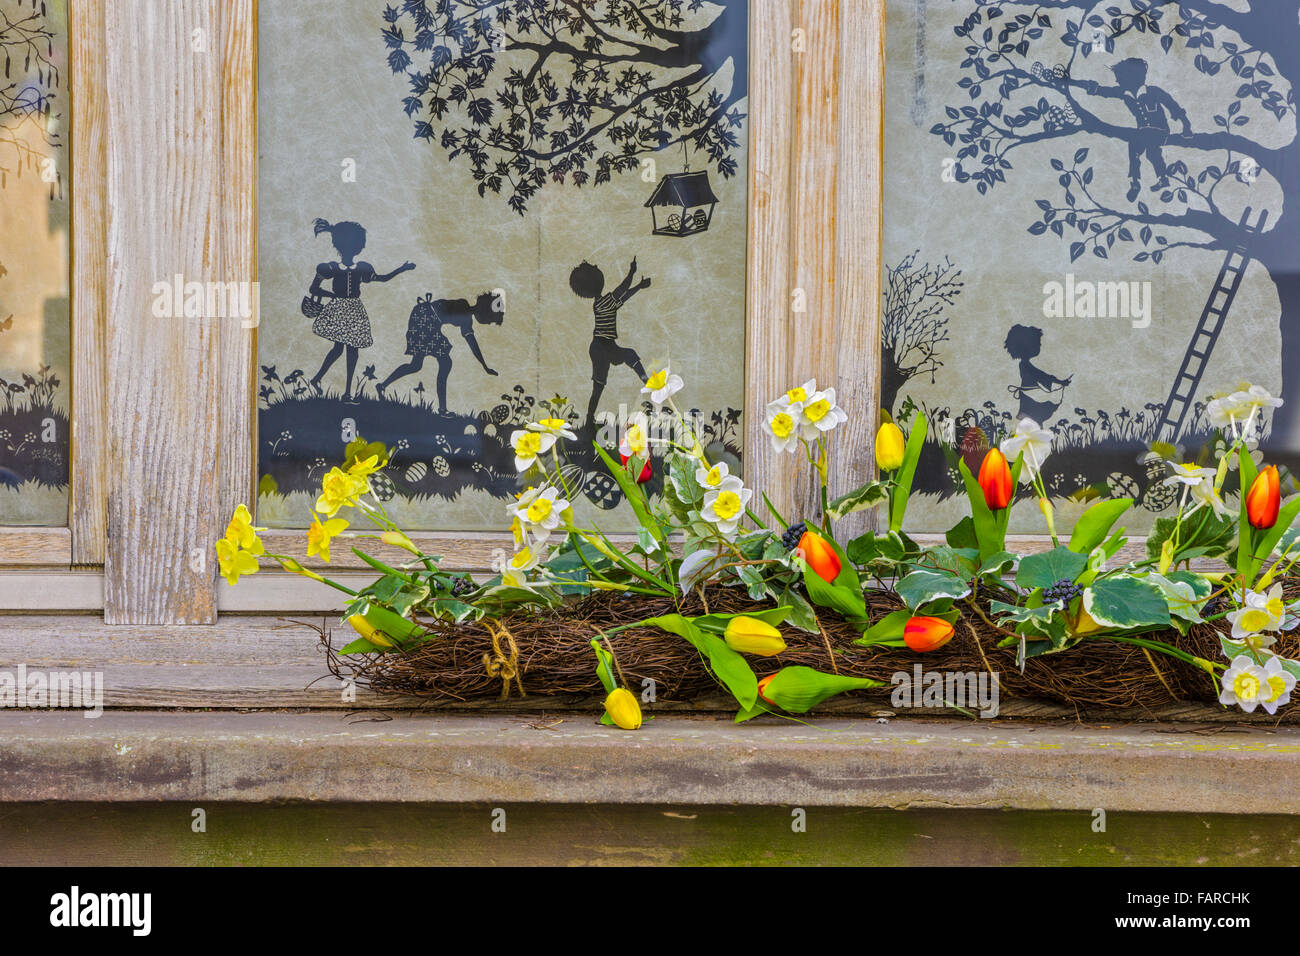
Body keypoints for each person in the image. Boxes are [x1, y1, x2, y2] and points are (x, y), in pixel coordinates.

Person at [307, 218, 415, 402]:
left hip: (353, 310)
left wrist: (401, 269)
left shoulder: (360, 268)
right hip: (341, 310)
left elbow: (381, 278)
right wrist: (332, 296)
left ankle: (339, 389)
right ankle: (333, 387)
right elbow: (313, 289)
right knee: (342, 350)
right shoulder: (331, 267)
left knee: (347, 350)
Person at [1084, 58, 1191, 202]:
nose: (1117, 81)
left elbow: (1172, 105)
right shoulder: (1124, 93)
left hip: (1160, 131)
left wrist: (1186, 125)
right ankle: (1137, 182)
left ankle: (1158, 178)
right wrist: (1094, 89)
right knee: (1138, 149)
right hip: (1143, 133)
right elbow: (1106, 91)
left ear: (1130, 77)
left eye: (1119, 77)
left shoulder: (1153, 91)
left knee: (1149, 150)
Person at [377, 292, 501, 413]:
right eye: (490, 320)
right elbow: (470, 339)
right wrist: (484, 366)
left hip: (427, 320)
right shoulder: (463, 305)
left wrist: (484, 365)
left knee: (418, 365)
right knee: (441, 362)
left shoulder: (467, 319)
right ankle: (442, 409)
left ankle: (382, 386)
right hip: (424, 316)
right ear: (485, 312)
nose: (488, 323)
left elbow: (472, 342)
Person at [570, 258, 651, 424]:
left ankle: (647, 382)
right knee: (600, 384)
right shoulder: (603, 303)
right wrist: (632, 272)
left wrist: (639, 286)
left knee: (627, 358)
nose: (597, 265)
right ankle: (589, 419)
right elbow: (622, 290)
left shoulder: (602, 302)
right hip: (601, 347)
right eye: (594, 268)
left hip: (604, 345)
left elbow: (622, 297)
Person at [1004, 324, 1071, 421]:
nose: (1040, 345)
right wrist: (1060, 382)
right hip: (1030, 397)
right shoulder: (1025, 365)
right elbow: (1041, 376)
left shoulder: (1024, 364)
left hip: (1030, 397)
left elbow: (1042, 376)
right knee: (1038, 416)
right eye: (1038, 343)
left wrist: (1058, 381)